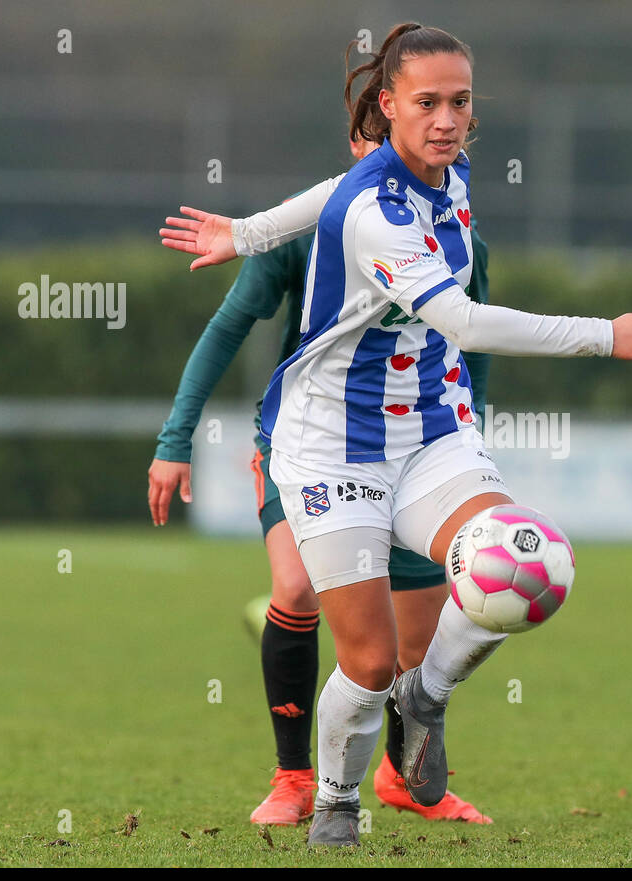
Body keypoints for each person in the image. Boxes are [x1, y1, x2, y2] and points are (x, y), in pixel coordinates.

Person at [160, 22, 632, 847]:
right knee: (367, 663)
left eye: (461, 102)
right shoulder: (379, 213)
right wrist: (605, 334)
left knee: (531, 559)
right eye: (428, 103)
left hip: (431, 435)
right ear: (389, 107)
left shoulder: (446, 169)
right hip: (330, 447)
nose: (447, 119)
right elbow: (465, 320)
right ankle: (334, 797)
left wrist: (247, 230)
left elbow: (327, 189)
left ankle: (427, 696)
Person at [149, 132, 494, 827]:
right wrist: (174, 438)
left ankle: (401, 777)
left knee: (412, 652)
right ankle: (295, 778)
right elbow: (228, 327)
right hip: (306, 445)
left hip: (416, 448)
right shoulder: (305, 230)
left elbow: (471, 341)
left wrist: (467, 441)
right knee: (297, 588)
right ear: (359, 141)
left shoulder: (459, 237)